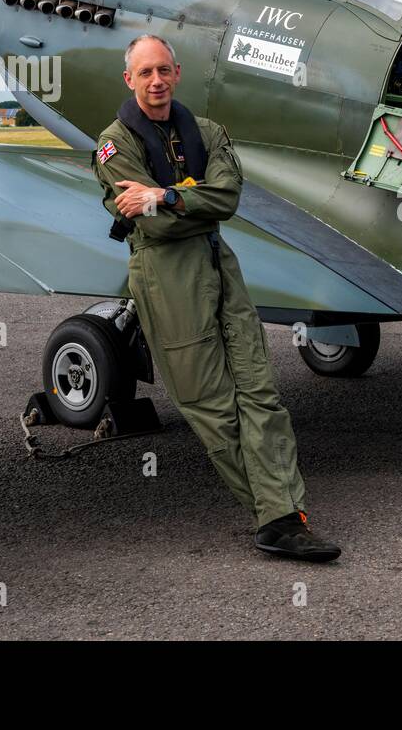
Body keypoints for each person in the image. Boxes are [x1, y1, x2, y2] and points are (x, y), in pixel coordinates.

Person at [93, 34, 341, 563]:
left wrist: (165, 195)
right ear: (129, 80)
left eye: (164, 71)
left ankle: (283, 516)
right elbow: (152, 229)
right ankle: (274, 511)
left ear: (177, 73)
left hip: (219, 265)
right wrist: (189, 203)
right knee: (208, 402)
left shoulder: (207, 132)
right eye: (145, 73)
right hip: (166, 276)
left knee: (260, 392)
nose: (156, 81)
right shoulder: (115, 145)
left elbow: (226, 200)